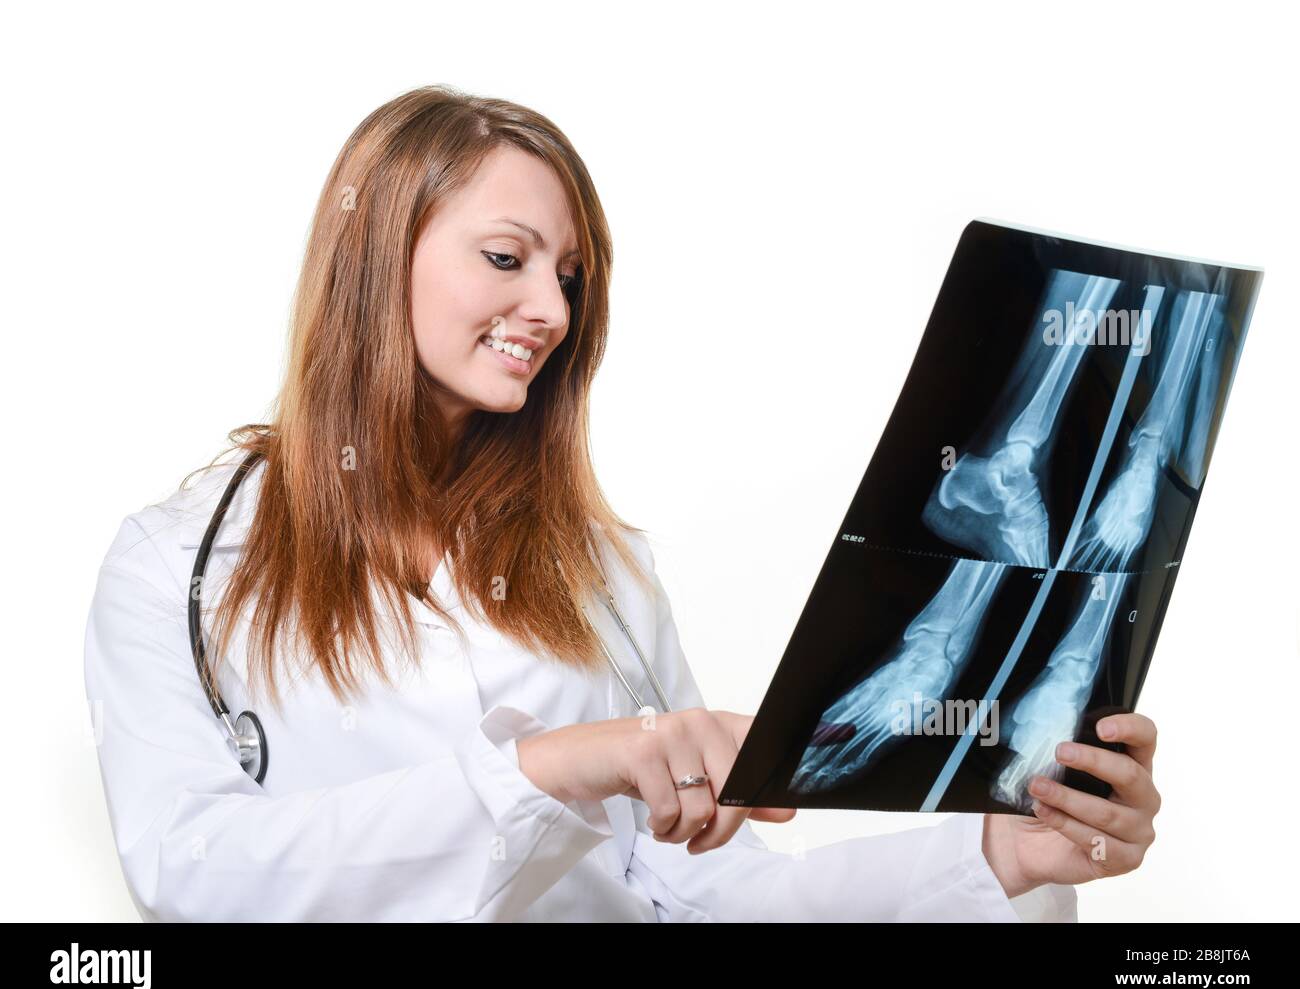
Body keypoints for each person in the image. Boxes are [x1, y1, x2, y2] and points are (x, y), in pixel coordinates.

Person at [82, 85, 1159, 922]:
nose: (549, 308)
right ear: (374, 254)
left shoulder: (599, 573)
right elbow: (196, 874)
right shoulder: (175, 568)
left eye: (571, 276)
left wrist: (1000, 852)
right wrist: (552, 766)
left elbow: (713, 895)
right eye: (507, 257)